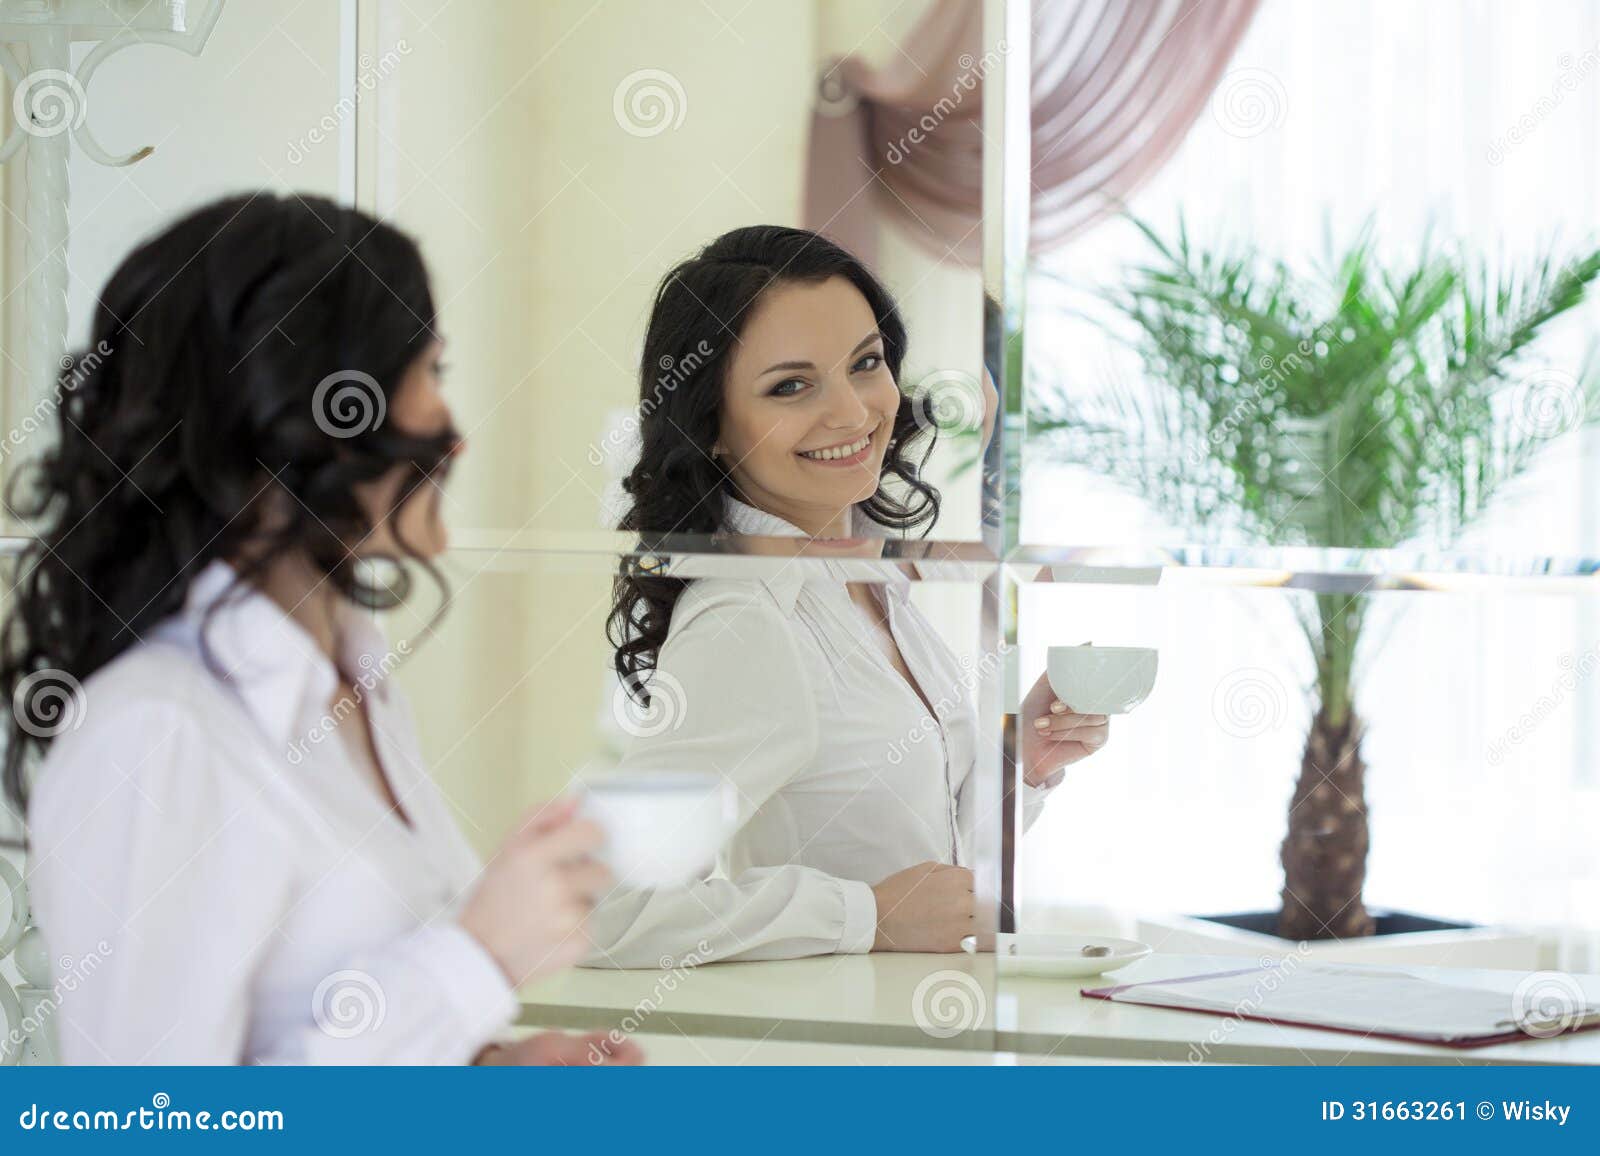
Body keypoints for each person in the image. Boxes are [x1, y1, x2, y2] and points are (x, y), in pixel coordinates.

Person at [0, 193, 638, 1066]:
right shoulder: (156, 734)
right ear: (315, 415)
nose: (451, 433)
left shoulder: (355, 688)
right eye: (427, 373)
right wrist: (479, 956)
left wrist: (489, 1072)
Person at [590, 226, 1109, 967]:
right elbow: (607, 908)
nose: (852, 412)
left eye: (865, 364)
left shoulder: (864, 584)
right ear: (710, 427)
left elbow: (927, 864)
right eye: (791, 386)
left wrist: (1021, 762)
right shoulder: (746, 617)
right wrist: (865, 915)